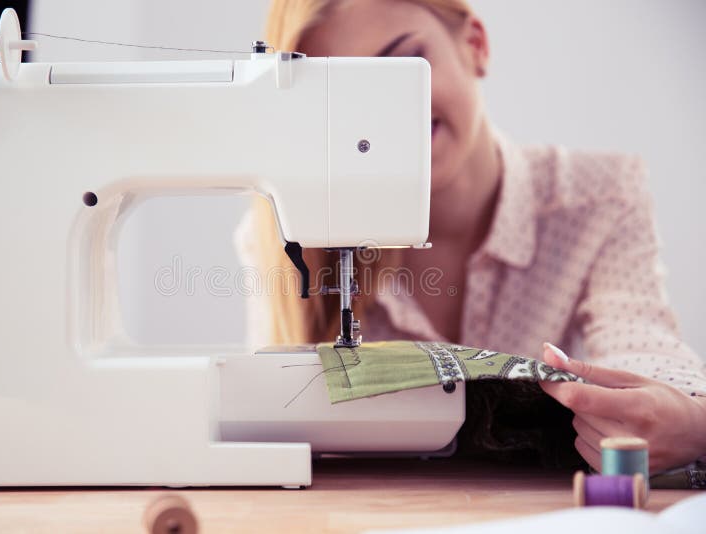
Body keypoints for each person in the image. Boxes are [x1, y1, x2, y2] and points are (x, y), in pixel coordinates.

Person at [235, 0, 706, 475]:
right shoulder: (291, 232)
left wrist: (691, 417)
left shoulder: (601, 199)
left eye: (404, 65)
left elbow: (642, 345)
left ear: (475, 46)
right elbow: (274, 416)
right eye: (340, 96)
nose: (382, 117)